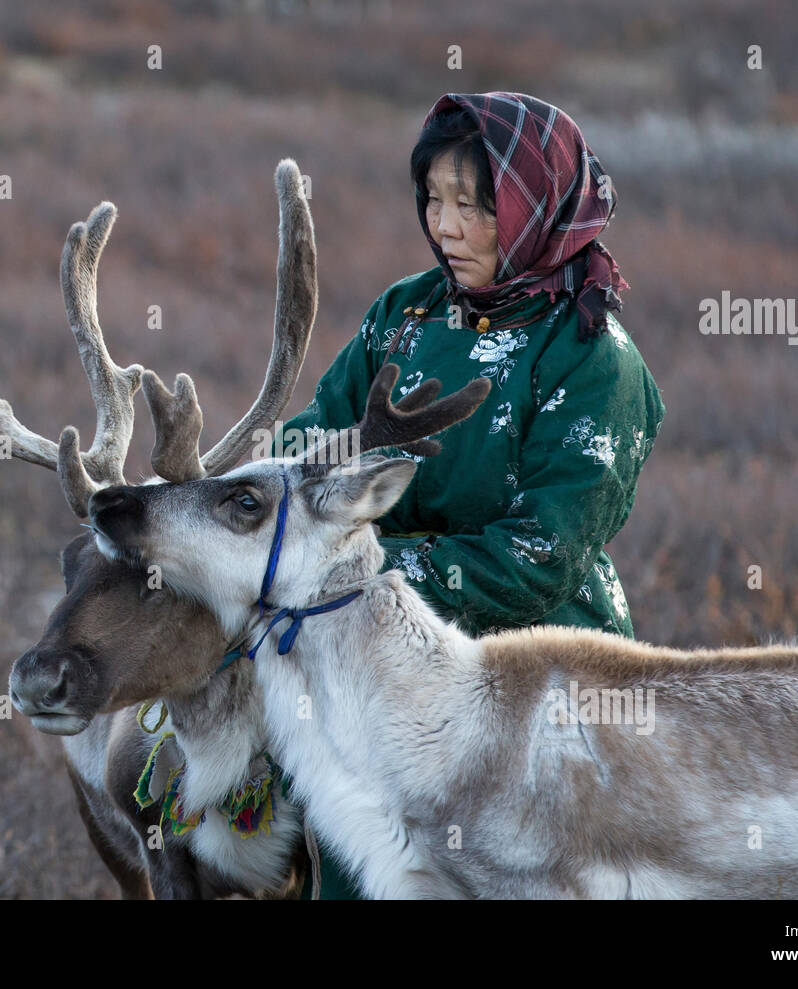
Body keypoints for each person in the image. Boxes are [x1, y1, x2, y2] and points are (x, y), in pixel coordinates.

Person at [274, 92, 667, 899]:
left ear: (534, 208)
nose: (445, 226)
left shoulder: (593, 358)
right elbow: (311, 441)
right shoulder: (407, 313)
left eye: (475, 207)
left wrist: (364, 568)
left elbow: (539, 558)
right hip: (379, 670)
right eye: (433, 199)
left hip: (536, 689)